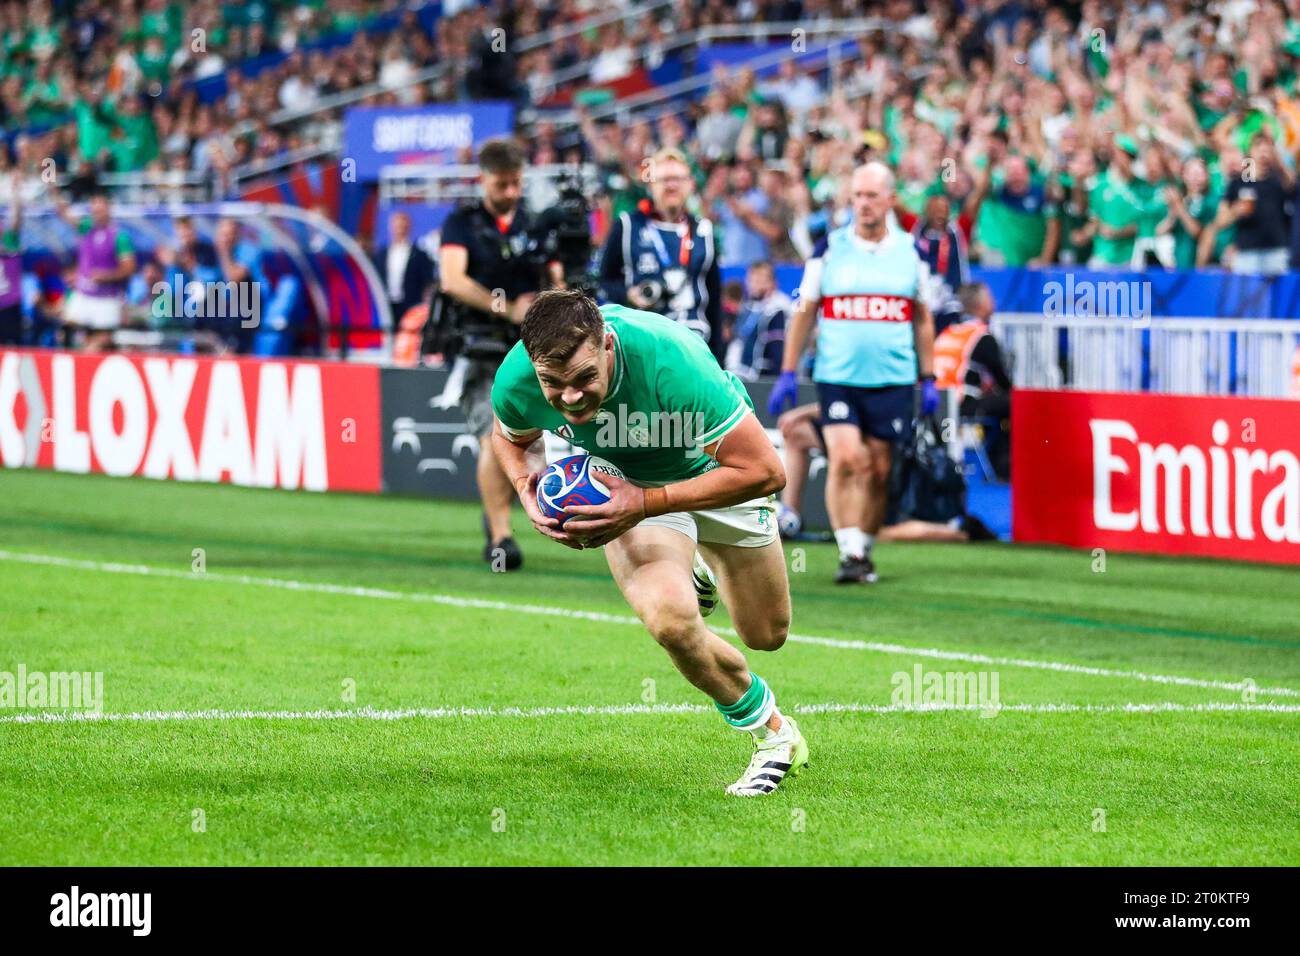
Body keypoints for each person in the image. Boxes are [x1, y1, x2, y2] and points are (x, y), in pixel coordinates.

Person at [491, 289, 808, 796]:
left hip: (715, 473)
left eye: (584, 379)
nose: (570, 398)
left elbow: (766, 471)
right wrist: (526, 488)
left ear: (608, 345)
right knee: (671, 620)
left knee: (766, 633)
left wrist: (643, 502)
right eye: (554, 384)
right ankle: (772, 734)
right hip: (619, 485)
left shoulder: (672, 360)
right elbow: (509, 436)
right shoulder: (518, 377)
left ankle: (703, 568)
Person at [769, 161, 937, 585]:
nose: (863, 203)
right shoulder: (829, 249)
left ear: (890, 200)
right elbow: (805, 311)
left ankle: (864, 545)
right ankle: (850, 551)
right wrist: (789, 371)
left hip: (894, 378)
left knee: (879, 469)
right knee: (846, 459)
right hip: (838, 376)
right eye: (857, 196)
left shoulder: (910, 252)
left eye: (871, 195)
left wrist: (929, 375)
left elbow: (922, 318)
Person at [437, 137, 553, 571]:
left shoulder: (536, 222)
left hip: (530, 348)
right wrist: (507, 308)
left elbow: (556, 274)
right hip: (478, 348)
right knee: (493, 435)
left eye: (516, 184)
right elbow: (453, 279)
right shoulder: (461, 223)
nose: (510, 192)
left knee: (529, 438)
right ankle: (501, 537)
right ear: (483, 179)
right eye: (502, 184)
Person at [597, 147, 723, 361]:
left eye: (678, 179)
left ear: (691, 184)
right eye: (664, 179)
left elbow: (714, 299)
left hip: (693, 343)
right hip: (642, 341)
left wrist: (720, 360)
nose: (672, 185)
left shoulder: (704, 230)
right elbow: (604, 280)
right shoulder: (627, 226)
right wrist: (628, 295)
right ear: (651, 184)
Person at [934, 282, 1013, 480]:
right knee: (1013, 403)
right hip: (960, 402)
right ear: (982, 305)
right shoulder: (981, 336)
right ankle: (1003, 466)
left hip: (935, 399)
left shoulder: (948, 331)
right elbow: (1003, 380)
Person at [56, 190, 136, 352]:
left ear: (108, 209)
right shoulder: (86, 228)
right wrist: (51, 184)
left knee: (100, 342)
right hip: (84, 294)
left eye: (99, 210)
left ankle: (88, 366)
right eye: (93, 210)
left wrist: (107, 276)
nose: (95, 214)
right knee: (65, 333)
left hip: (106, 298)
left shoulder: (119, 236)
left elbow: (129, 267)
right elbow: (64, 212)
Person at [724, 261, 790, 380]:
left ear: (772, 283)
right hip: (739, 374)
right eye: (752, 280)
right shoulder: (746, 308)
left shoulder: (778, 311)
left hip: (763, 378)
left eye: (760, 281)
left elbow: (777, 352)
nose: (754, 285)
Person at [373, 210, 434, 324]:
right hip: (385, 305)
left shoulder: (420, 255)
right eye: (397, 226)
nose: (399, 229)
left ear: (409, 227)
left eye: (403, 226)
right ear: (391, 227)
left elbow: (428, 281)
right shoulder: (381, 254)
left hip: (411, 306)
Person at [0, 171, 23, 345]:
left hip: (9, 303)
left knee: (12, 345)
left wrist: (15, 192)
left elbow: (16, 218)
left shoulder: (10, 239)